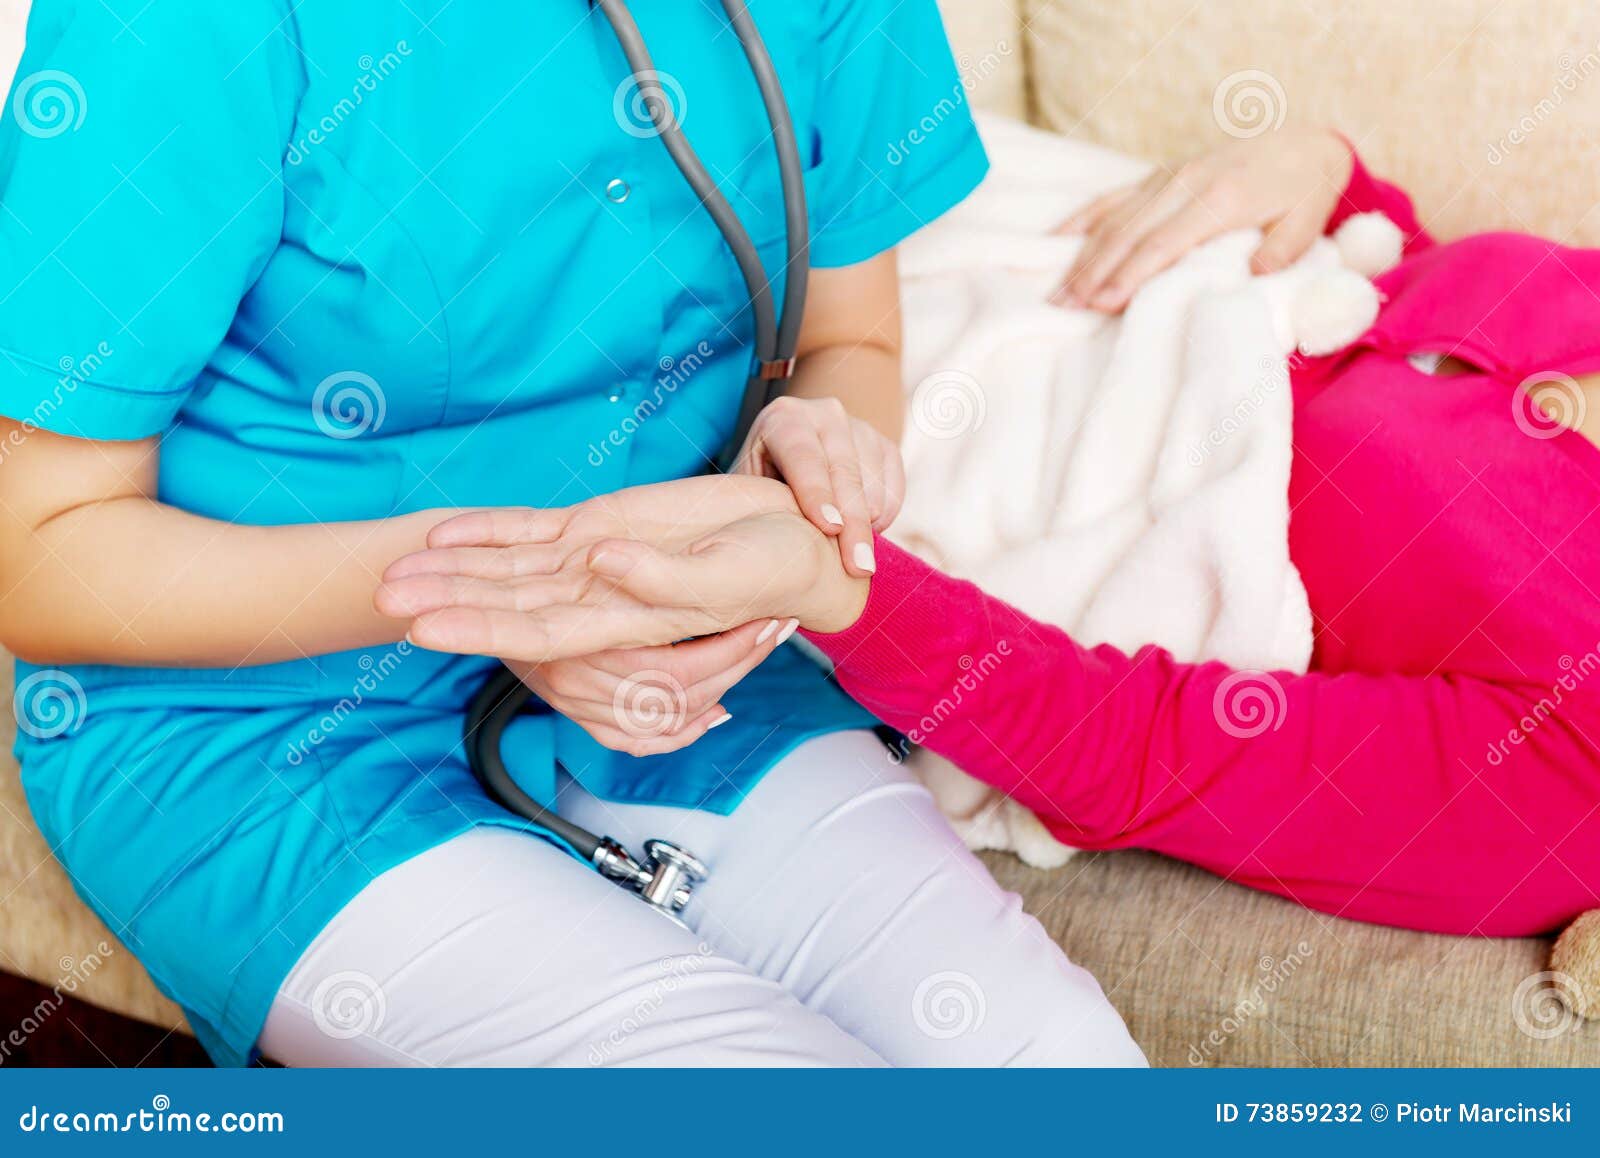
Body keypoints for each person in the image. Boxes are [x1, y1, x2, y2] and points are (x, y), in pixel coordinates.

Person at [0, 2, 1144, 1066]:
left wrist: (786, 500)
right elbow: (38, 546)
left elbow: (852, 343)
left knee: (1058, 1060)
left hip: (677, 673)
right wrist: (524, 587)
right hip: (254, 724)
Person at [382, 132, 1600, 940]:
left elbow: (1136, 751)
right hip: (1081, 236)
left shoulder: (1562, 783)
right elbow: (1430, 284)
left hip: (1033, 423)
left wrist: (835, 579)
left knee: (500, 277)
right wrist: (1321, 167)